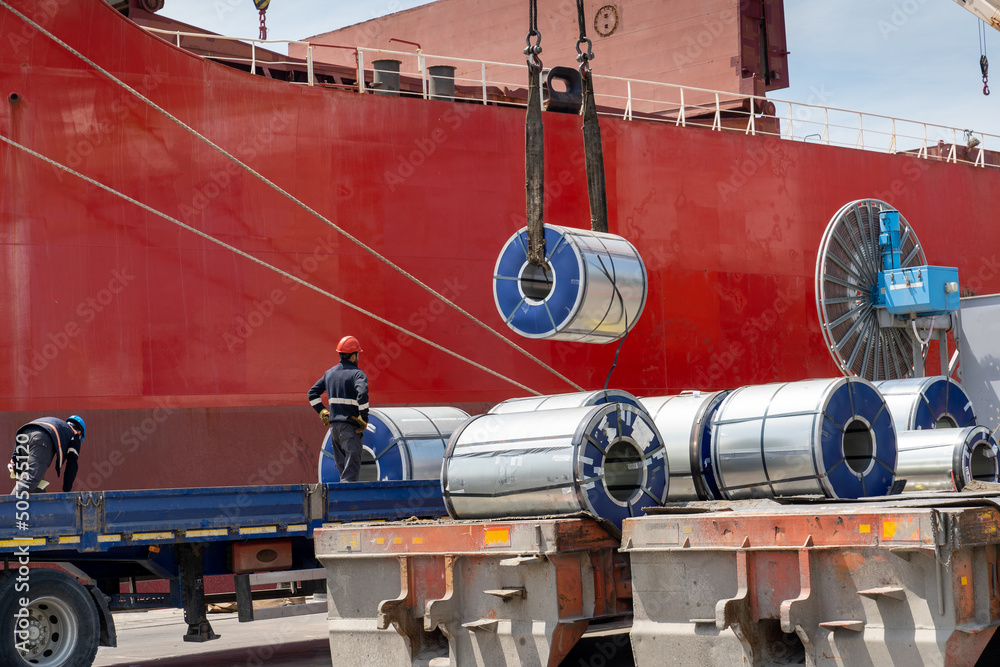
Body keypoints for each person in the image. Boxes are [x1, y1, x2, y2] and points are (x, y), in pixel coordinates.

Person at [307, 336, 369, 482]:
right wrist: (364, 417)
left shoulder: (330, 374)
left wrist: (322, 411)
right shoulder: (357, 374)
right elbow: (363, 394)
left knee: (343, 471)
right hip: (350, 428)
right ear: (354, 355)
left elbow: (312, 393)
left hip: (334, 430)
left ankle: (341, 500)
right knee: (350, 473)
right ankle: (348, 502)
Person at [9, 415, 85, 495]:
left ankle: (40, 506)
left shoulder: (58, 425)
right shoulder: (74, 435)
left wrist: (15, 457)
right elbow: (72, 465)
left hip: (23, 434)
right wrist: (67, 492)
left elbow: (28, 430)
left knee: (34, 482)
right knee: (32, 478)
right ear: (80, 432)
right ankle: (8, 506)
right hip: (42, 438)